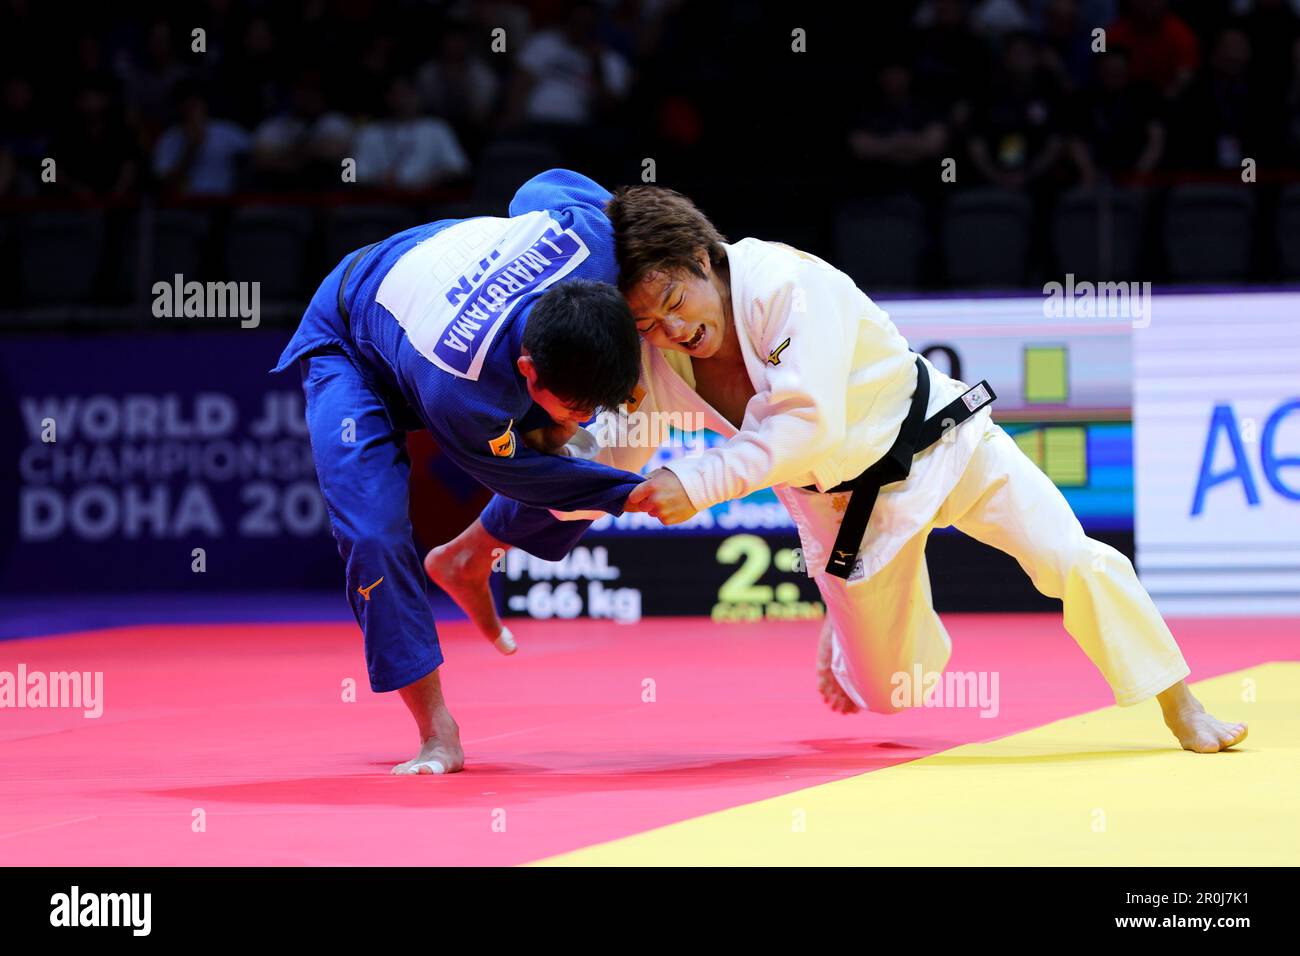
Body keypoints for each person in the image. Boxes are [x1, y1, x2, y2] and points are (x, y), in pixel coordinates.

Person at [431, 185, 1249, 755]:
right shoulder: (658, 353)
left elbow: (808, 425)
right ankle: (845, 619)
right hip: (845, 520)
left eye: (676, 300)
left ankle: (1181, 699)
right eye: (649, 320)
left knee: (1071, 557)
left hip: (942, 442)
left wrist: (704, 482)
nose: (672, 329)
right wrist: (508, 526)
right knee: (895, 695)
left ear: (703, 256)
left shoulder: (784, 282)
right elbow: (624, 459)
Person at [273, 169, 644, 775]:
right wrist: (633, 497)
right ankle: (435, 731)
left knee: (574, 447)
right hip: (350, 335)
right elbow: (522, 478)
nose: (587, 418)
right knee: (373, 531)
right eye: (576, 403)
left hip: (427, 295)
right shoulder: (464, 394)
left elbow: (536, 189)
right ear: (528, 373)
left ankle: (468, 556)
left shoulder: (595, 238)